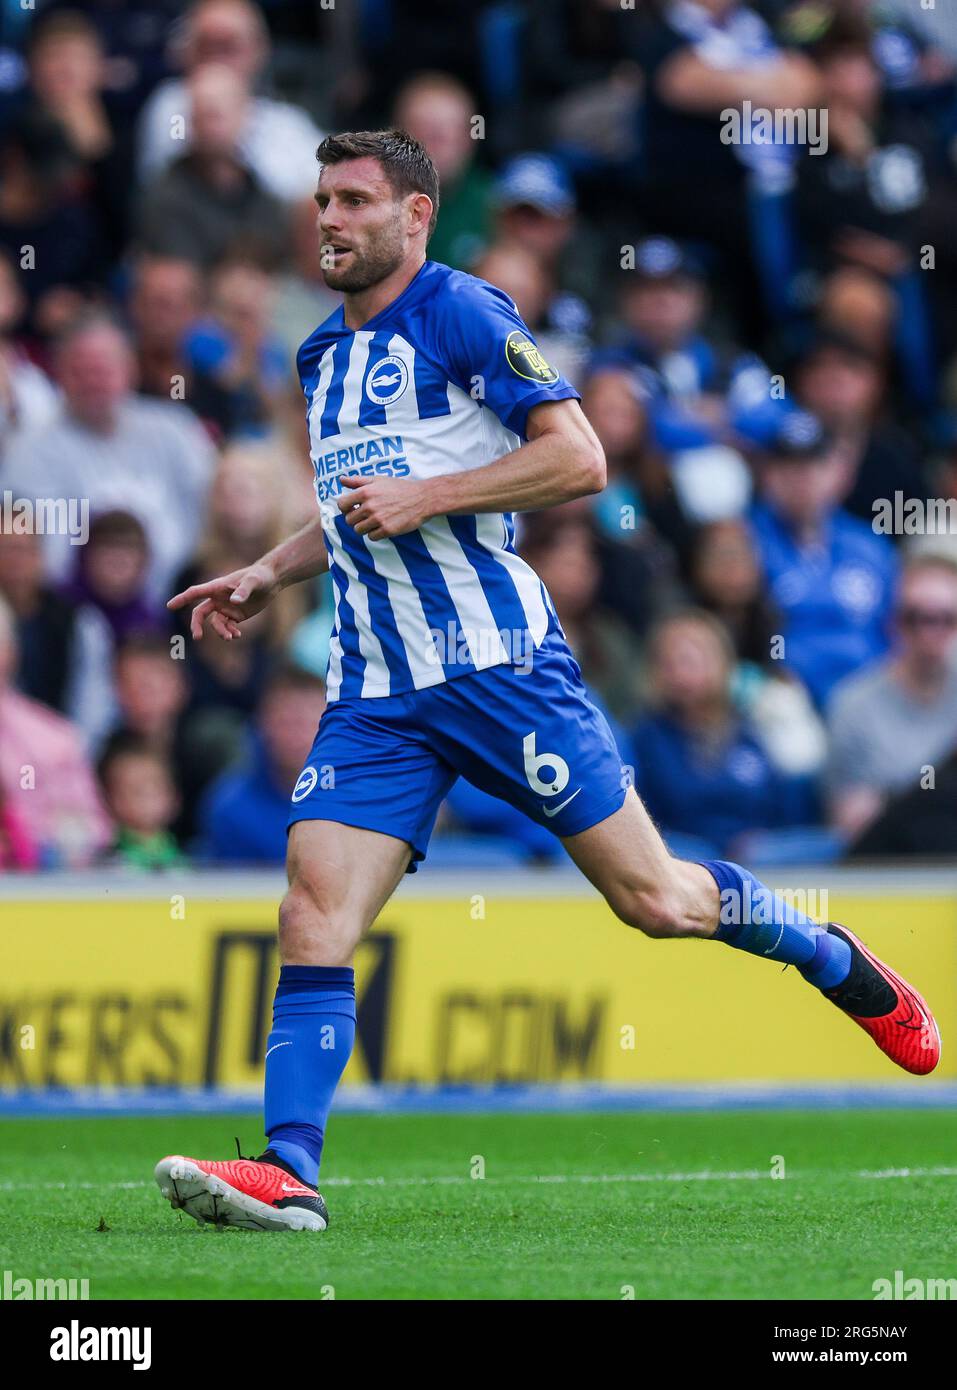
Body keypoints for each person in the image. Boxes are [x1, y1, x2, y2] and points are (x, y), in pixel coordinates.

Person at [154, 129, 940, 1237]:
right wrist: (269, 565)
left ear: (414, 217)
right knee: (312, 911)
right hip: (378, 684)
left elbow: (580, 458)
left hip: (498, 666)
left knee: (655, 901)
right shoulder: (320, 356)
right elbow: (350, 508)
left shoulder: (462, 312)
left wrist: (434, 496)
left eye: (353, 201)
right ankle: (290, 1172)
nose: (328, 220)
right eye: (322, 200)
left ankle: (829, 952)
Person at [827, 555, 957, 840]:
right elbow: (851, 822)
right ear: (893, 622)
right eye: (915, 619)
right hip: (892, 862)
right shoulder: (853, 703)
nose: (930, 633)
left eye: (947, 619)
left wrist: (891, 798)